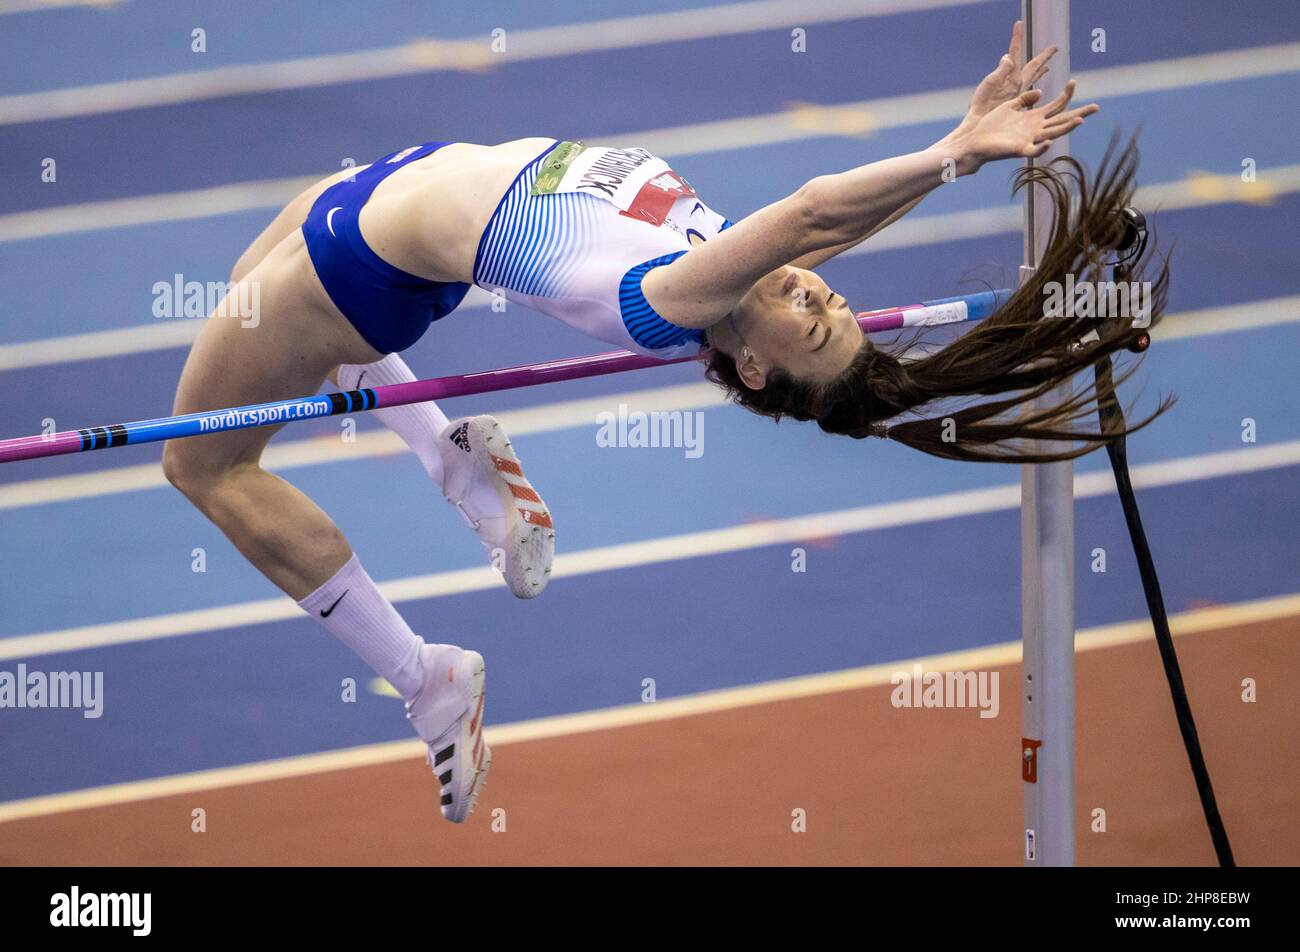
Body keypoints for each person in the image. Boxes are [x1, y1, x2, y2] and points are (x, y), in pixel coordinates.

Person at [162, 20, 1161, 823]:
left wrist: (954, 153)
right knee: (248, 292)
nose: (817, 295)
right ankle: (449, 457)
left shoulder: (670, 300)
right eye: (833, 302)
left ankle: (425, 676)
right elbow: (832, 230)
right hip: (395, 182)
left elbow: (814, 210)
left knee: (205, 467)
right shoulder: (737, 270)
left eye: (812, 328)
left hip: (365, 264)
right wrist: (958, 163)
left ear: (756, 364)